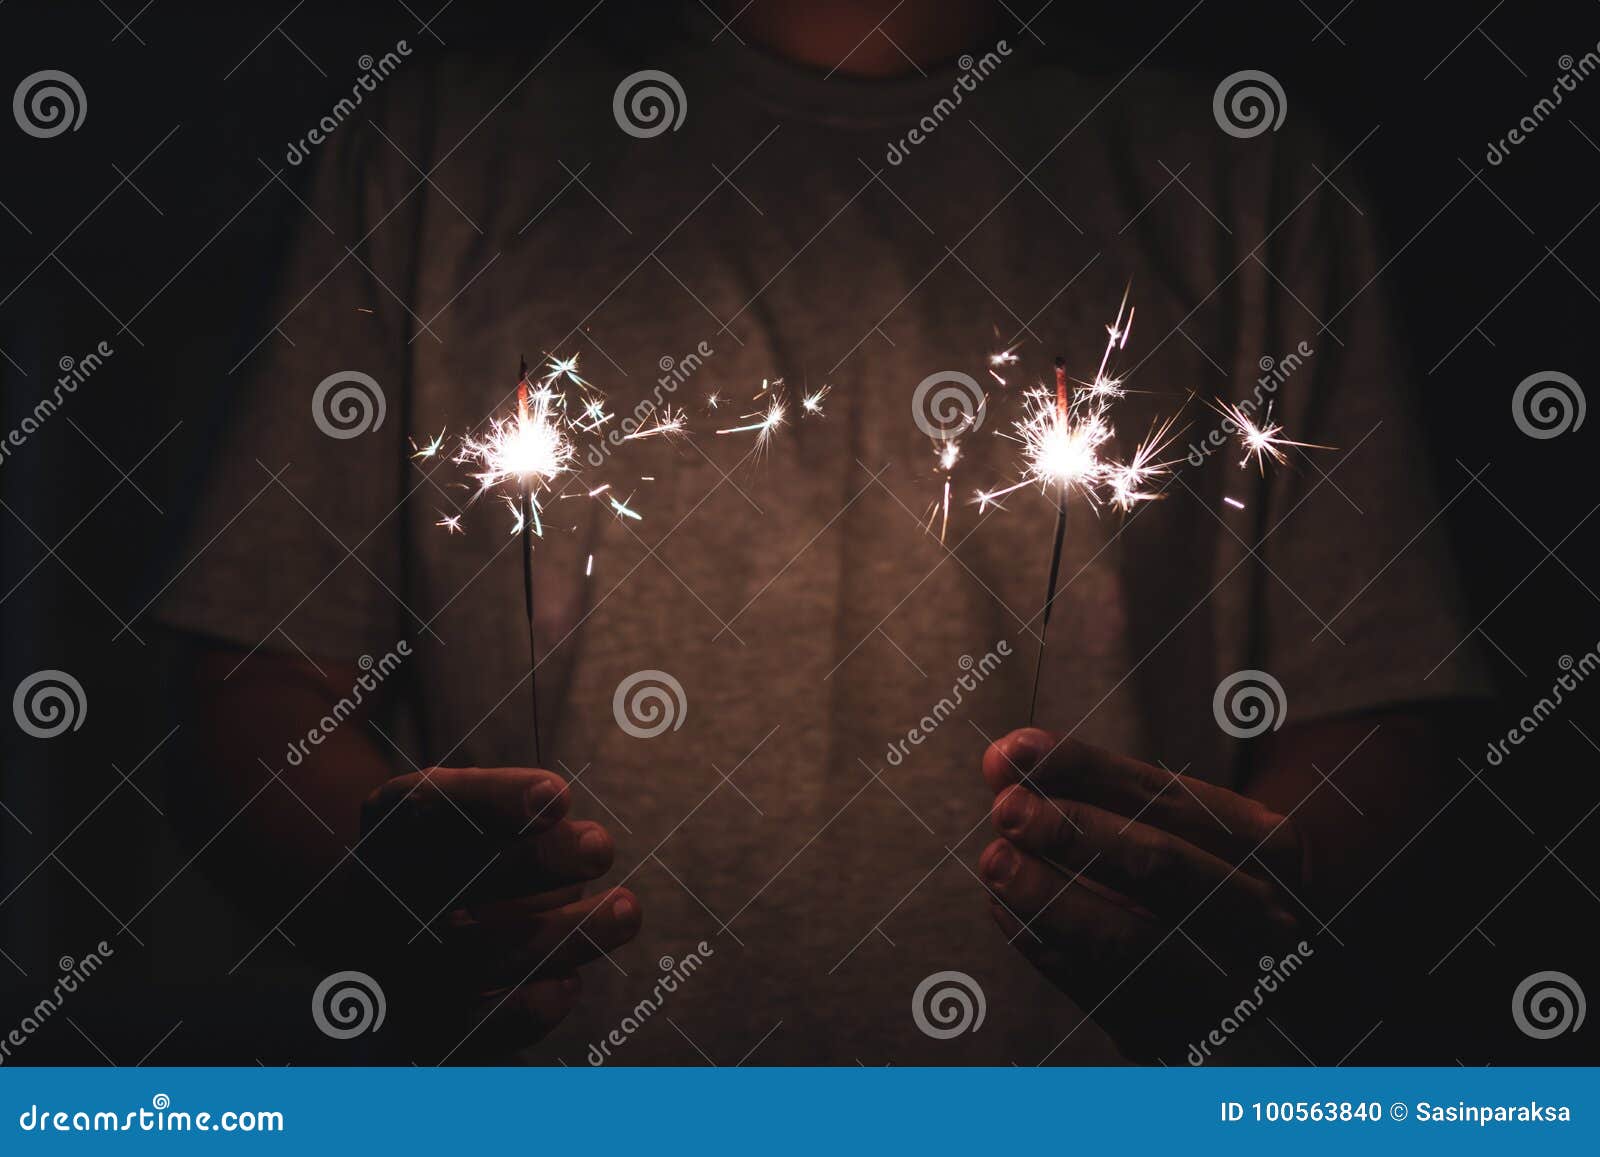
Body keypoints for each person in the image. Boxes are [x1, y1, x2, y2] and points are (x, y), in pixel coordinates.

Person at [161, 0, 1488, 1064]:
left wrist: (1262, 895)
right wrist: (373, 882)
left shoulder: (1243, 162)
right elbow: (256, 676)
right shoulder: (436, 139)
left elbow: (1379, 703)